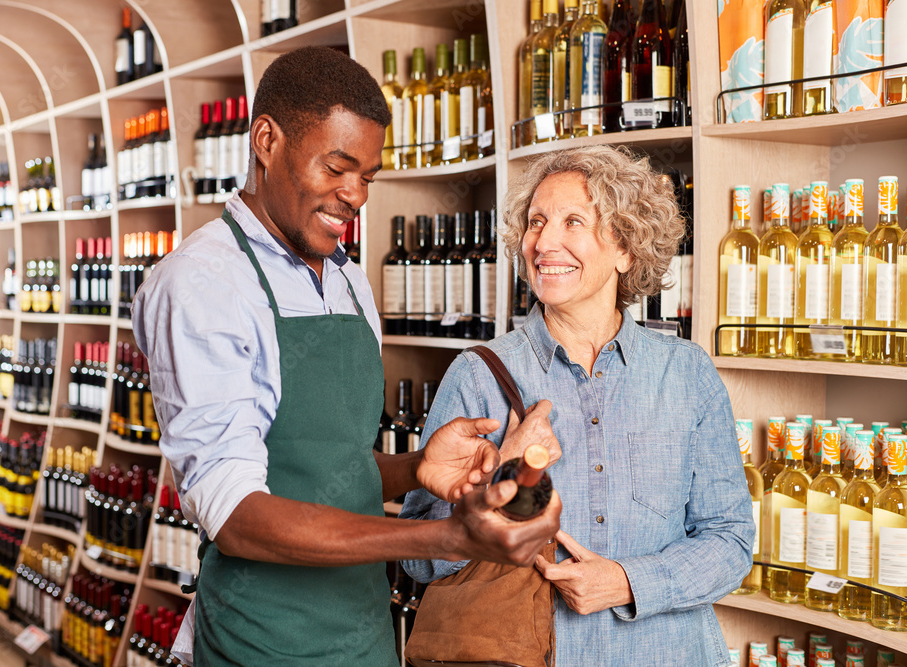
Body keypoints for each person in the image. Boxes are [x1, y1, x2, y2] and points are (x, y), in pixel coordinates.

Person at [131, 46, 561, 667]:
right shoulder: (202, 284)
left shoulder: (348, 279)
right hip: (264, 640)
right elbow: (235, 514)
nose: (354, 195)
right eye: (337, 167)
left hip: (364, 629)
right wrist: (445, 534)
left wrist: (415, 467)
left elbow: (321, 462)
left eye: (368, 176)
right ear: (266, 140)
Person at [401, 145, 756, 665]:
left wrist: (627, 582)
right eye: (537, 222)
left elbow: (730, 540)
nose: (544, 242)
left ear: (626, 249)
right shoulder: (478, 374)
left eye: (573, 222)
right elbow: (417, 555)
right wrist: (502, 476)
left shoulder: (686, 373)